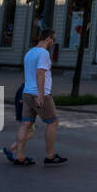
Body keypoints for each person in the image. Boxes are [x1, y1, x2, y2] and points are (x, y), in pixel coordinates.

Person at [7, 29, 65, 166]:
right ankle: (50, 156)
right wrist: (40, 95)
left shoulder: (30, 52)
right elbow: (40, 73)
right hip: (40, 93)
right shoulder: (43, 53)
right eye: (53, 40)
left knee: (26, 123)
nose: (53, 43)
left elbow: (28, 74)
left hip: (27, 92)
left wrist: (25, 94)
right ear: (48, 39)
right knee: (53, 122)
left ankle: (19, 157)